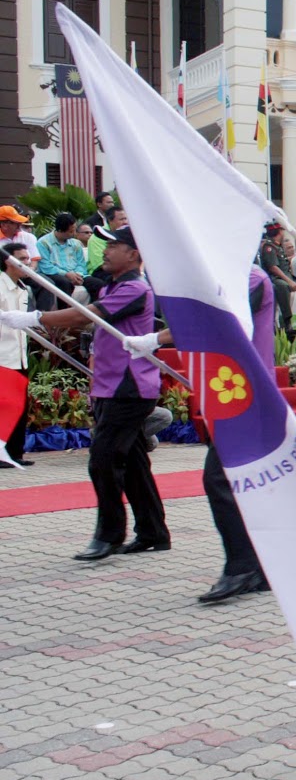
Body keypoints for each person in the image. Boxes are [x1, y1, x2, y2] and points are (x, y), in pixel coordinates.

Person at [1, 227, 169, 558]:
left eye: (114, 245)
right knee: (134, 463)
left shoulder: (135, 288)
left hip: (129, 387)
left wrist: (35, 317)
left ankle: (109, 534)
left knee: (103, 460)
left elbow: (84, 316)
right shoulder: (113, 284)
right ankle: (153, 532)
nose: (105, 250)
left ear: (134, 254)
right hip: (110, 384)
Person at [122, 264, 277, 603]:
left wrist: (156, 338)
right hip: (233, 391)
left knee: (219, 480)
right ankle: (261, 569)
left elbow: (218, 320)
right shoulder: (230, 274)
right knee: (242, 482)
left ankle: (243, 567)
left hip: (249, 393)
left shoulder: (248, 276)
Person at [0, 242, 32, 466]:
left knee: (19, 405)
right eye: (21, 259)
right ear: (7, 262)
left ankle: (15, 452)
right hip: (3, 354)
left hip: (19, 354)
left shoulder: (22, 288)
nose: (27, 264)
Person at [36, 212, 87, 310]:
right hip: (53, 273)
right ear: (60, 230)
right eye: (71, 232)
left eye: (75, 230)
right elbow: (46, 266)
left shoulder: (76, 244)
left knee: (96, 284)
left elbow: (81, 263)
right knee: (64, 283)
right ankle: (63, 316)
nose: (74, 234)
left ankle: (93, 318)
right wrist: (67, 274)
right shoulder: (43, 243)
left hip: (75, 273)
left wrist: (78, 274)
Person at [259, 223, 296, 328]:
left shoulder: (278, 246)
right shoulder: (269, 247)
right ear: (280, 231)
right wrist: (289, 281)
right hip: (275, 279)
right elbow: (273, 268)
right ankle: (288, 321)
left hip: (288, 277)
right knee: (283, 286)